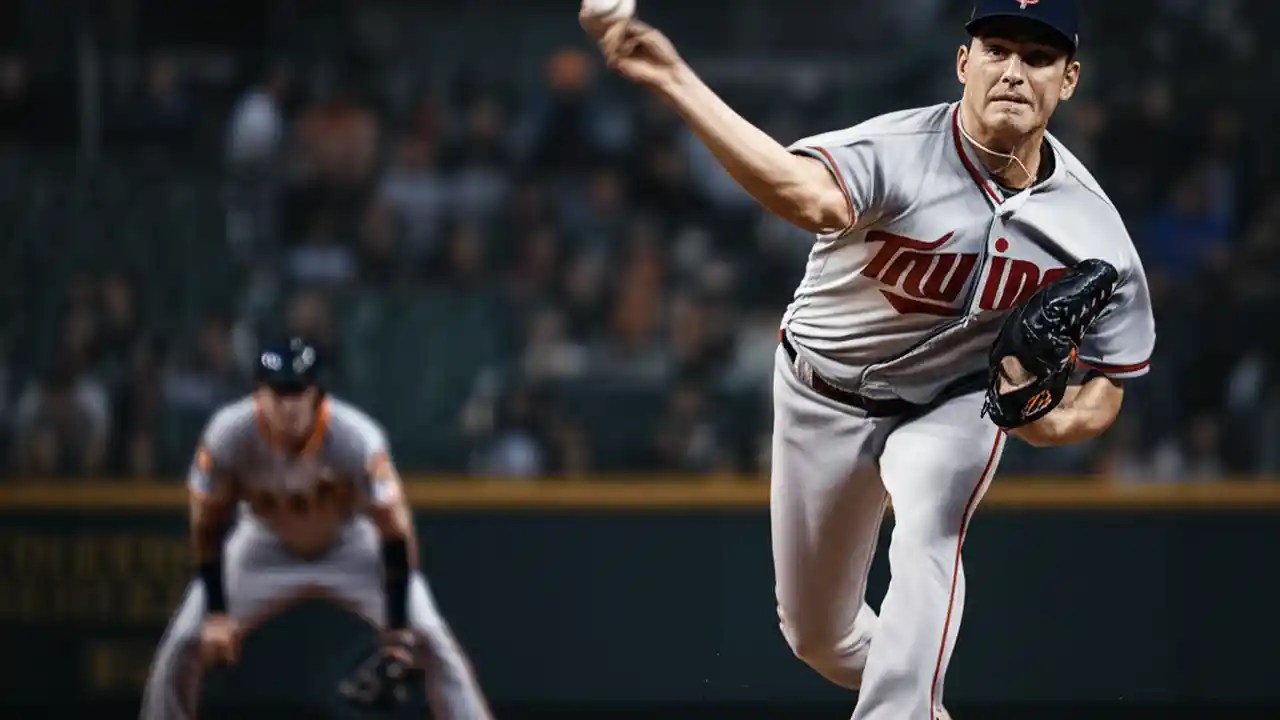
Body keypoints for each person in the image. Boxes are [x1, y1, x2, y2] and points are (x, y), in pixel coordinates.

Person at [581, 1, 1155, 718]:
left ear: (1068, 79)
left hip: (956, 401)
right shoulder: (900, 150)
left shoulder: (1091, 227)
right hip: (824, 394)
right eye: (998, 49)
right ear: (963, 62)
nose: (1014, 71)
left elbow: (1110, 384)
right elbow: (800, 192)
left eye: (1038, 57)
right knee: (818, 637)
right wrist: (672, 77)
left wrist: (1046, 423)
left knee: (931, 520)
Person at [139, 338, 492, 719]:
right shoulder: (229, 433)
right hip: (264, 545)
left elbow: (394, 531)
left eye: (298, 392)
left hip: (350, 545)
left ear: (317, 395)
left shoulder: (356, 436)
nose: (288, 405)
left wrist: (398, 629)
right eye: (277, 392)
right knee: (183, 643)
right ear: (258, 394)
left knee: (432, 639)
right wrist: (218, 613)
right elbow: (208, 523)